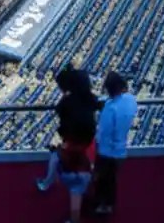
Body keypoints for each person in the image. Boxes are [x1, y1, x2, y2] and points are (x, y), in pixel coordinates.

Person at [37, 67, 100, 223]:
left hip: (72, 156)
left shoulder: (67, 103)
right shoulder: (91, 100)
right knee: (79, 186)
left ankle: (46, 183)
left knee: (56, 157)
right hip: (88, 153)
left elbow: (61, 117)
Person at [93, 72, 137, 218]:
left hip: (107, 150)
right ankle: (109, 205)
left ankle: (102, 207)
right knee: (112, 179)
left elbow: (103, 131)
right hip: (121, 148)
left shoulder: (110, 108)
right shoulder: (131, 100)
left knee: (102, 179)